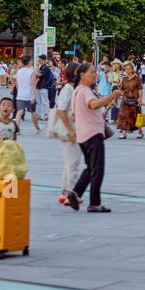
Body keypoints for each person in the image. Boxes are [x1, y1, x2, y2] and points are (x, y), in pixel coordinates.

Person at [63, 62, 120, 212]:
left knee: (91, 168)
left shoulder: (77, 91)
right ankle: (94, 203)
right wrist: (111, 96)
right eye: (92, 72)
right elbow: (93, 105)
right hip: (92, 134)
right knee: (98, 169)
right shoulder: (85, 90)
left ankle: (75, 193)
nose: (94, 75)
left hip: (83, 135)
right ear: (82, 75)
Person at [51, 63, 83, 205]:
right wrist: (71, 129)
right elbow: (61, 110)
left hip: (73, 129)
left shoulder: (73, 89)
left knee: (69, 162)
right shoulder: (68, 89)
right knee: (73, 163)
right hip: (70, 131)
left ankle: (65, 192)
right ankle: (71, 194)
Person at [117, 61, 143, 139]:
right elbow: (121, 89)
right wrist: (119, 89)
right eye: (126, 69)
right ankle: (124, 133)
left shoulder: (137, 79)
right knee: (124, 115)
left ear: (132, 69)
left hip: (135, 99)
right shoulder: (124, 79)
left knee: (136, 116)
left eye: (129, 69)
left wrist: (140, 98)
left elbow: (140, 89)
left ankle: (140, 132)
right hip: (125, 99)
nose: (127, 70)